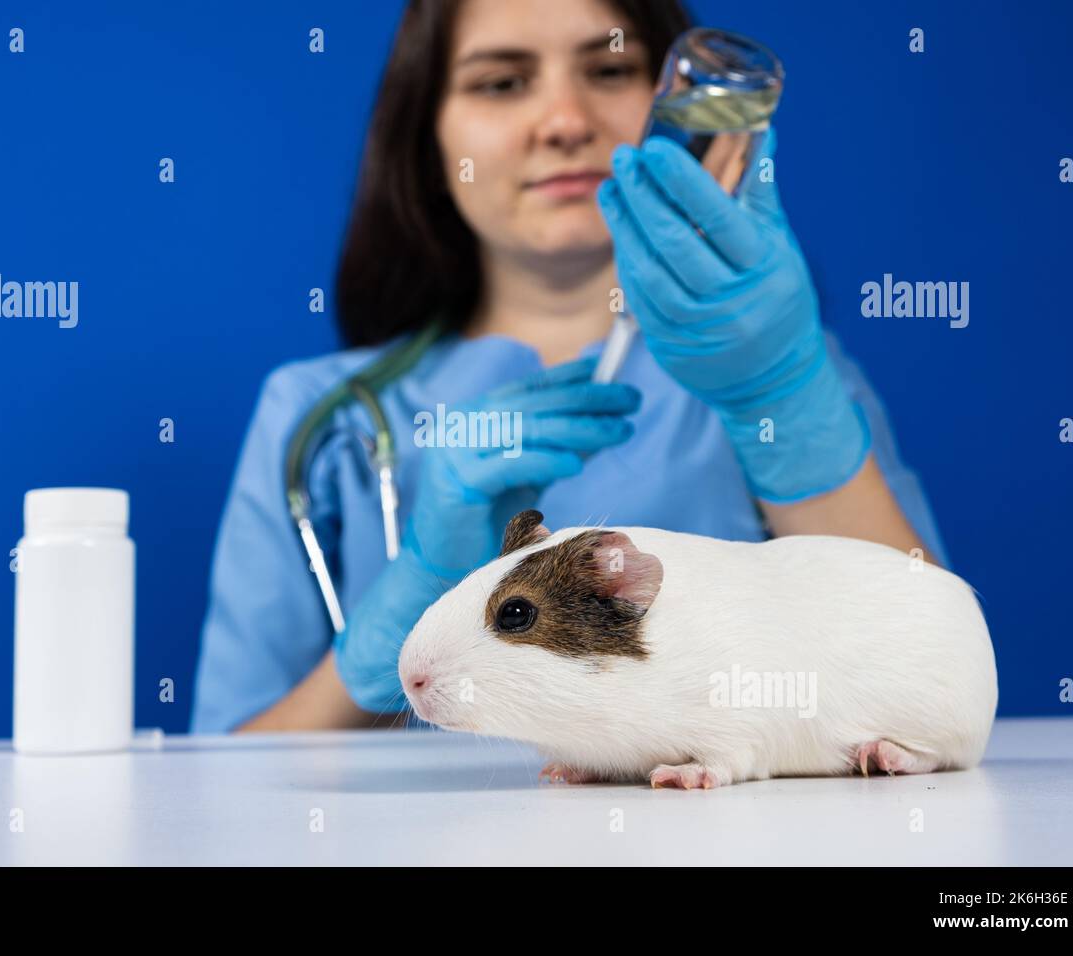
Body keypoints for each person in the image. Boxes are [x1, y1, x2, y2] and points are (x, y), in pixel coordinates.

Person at [190, 0, 947, 734]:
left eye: (611, 70)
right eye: (501, 82)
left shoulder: (776, 374)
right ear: (427, 131)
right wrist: (381, 640)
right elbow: (220, 780)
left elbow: (929, 677)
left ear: (669, 104)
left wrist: (780, 395)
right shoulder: (318, 419)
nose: (565, 122)